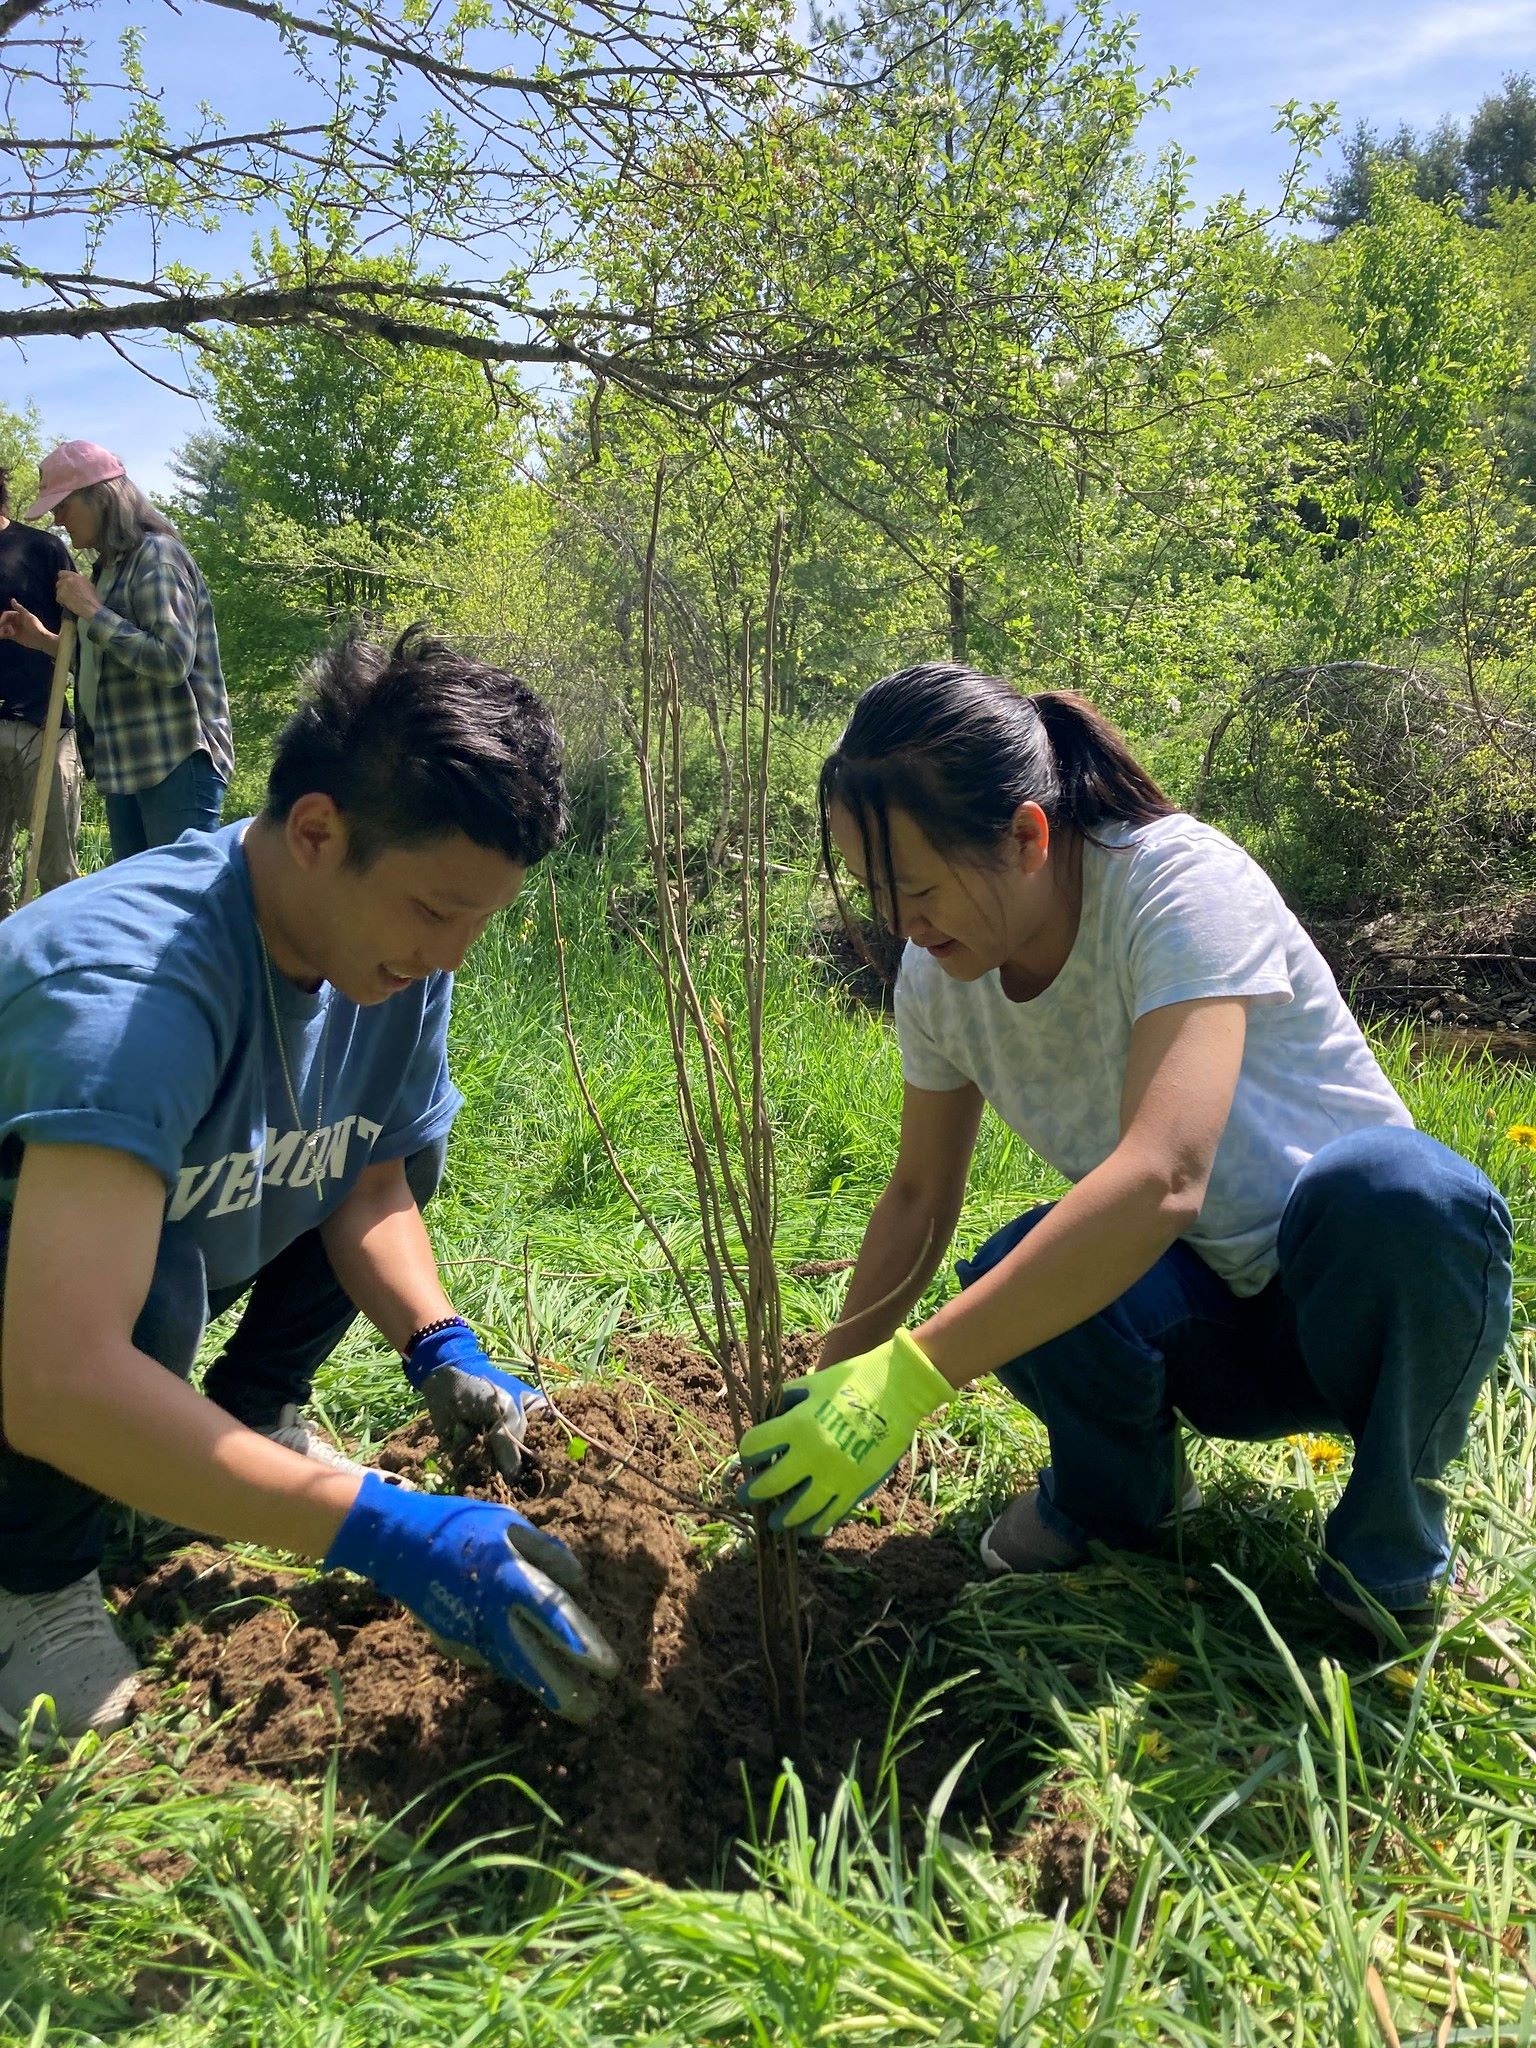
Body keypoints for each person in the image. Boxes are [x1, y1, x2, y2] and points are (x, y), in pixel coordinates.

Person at [739, 662, 1514, 1655]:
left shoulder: (1179, 885)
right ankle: (1116, 1501)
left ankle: (1389, 1550)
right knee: (1016, 1263)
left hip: (1350, 1299)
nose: (900, 924)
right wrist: (835, 1390)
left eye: (918, 889)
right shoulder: (938, 983)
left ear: (1028, 837)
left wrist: (914, 1376)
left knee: (1406, 1193)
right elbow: (919, 1196)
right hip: (1203, 1323)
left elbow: (1163, 1176)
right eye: (873, 893)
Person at [0, 627, 618, 1742]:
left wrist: (442, 1345)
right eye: (437, 911)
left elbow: (368, 1179)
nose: (454, 955)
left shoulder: (381, 953)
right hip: (39, 1329)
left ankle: (254, 1414)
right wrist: (375, 1527)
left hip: (104, 1283)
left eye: (480, 921)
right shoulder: (133, 993)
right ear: (318, 831)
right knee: (146, 1299)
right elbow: (58, 1377)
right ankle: (27, 1580)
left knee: (405, 1146)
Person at [0, 440, 234, 859]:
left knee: (176, 894)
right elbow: (110, 664)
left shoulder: (157, 557)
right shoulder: (107, 570)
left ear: (100, 497)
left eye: (63, 506)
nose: (57, 520)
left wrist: (92, 611)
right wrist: (41, 640)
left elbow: (170, 661)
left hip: (176, 759)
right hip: (125, 764)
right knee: (139, 899)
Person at [0, 463, 81, 913]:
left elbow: (85, 638)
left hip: (44, 726)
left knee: (56, 873)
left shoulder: (43, 550)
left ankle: (56, 952)